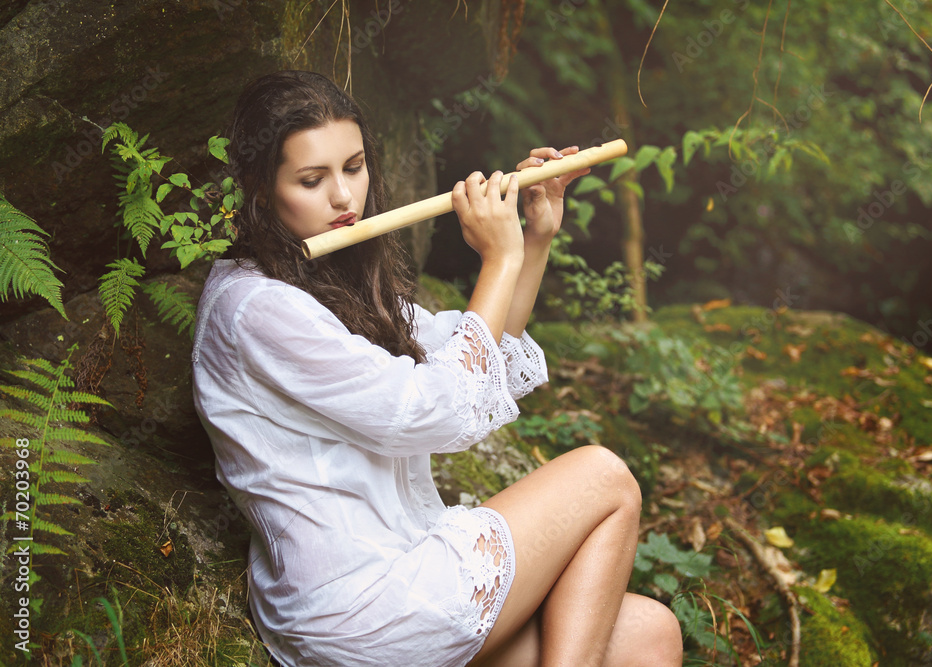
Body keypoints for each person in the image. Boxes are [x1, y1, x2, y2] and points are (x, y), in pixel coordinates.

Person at [192, 70, 682, 667]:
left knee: (648, 633)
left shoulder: (334, 278)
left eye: (354, 167)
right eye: (312, 180)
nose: (344, 198)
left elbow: (480, 350)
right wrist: (497, 259)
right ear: (260, 190)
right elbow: (440, 407)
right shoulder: (255, 307)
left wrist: (533, 238)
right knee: (604, 477)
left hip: (409, 566)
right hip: (353, 607)